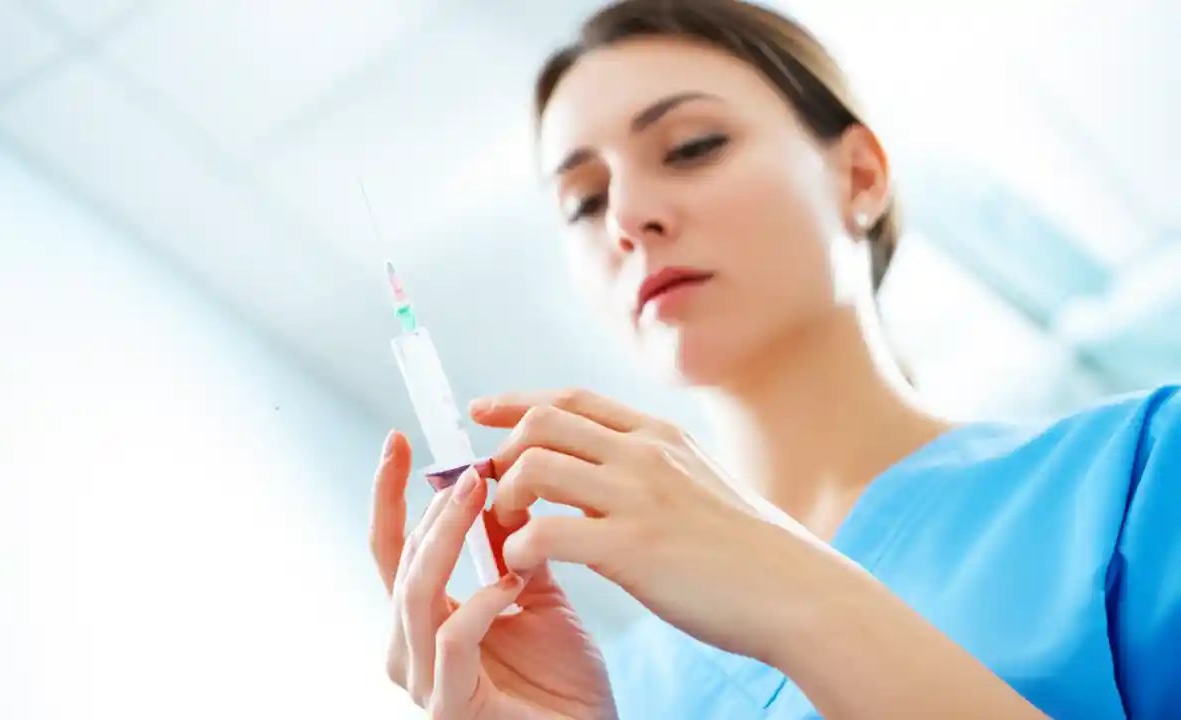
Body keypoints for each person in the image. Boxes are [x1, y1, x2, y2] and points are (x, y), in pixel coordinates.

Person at [367, 1, 1180, 717]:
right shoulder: (619, 688)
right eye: (583, 201)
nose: (629, 216)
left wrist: (796, 599)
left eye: (690, 147)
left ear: (860, 176)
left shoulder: (1144, 474)